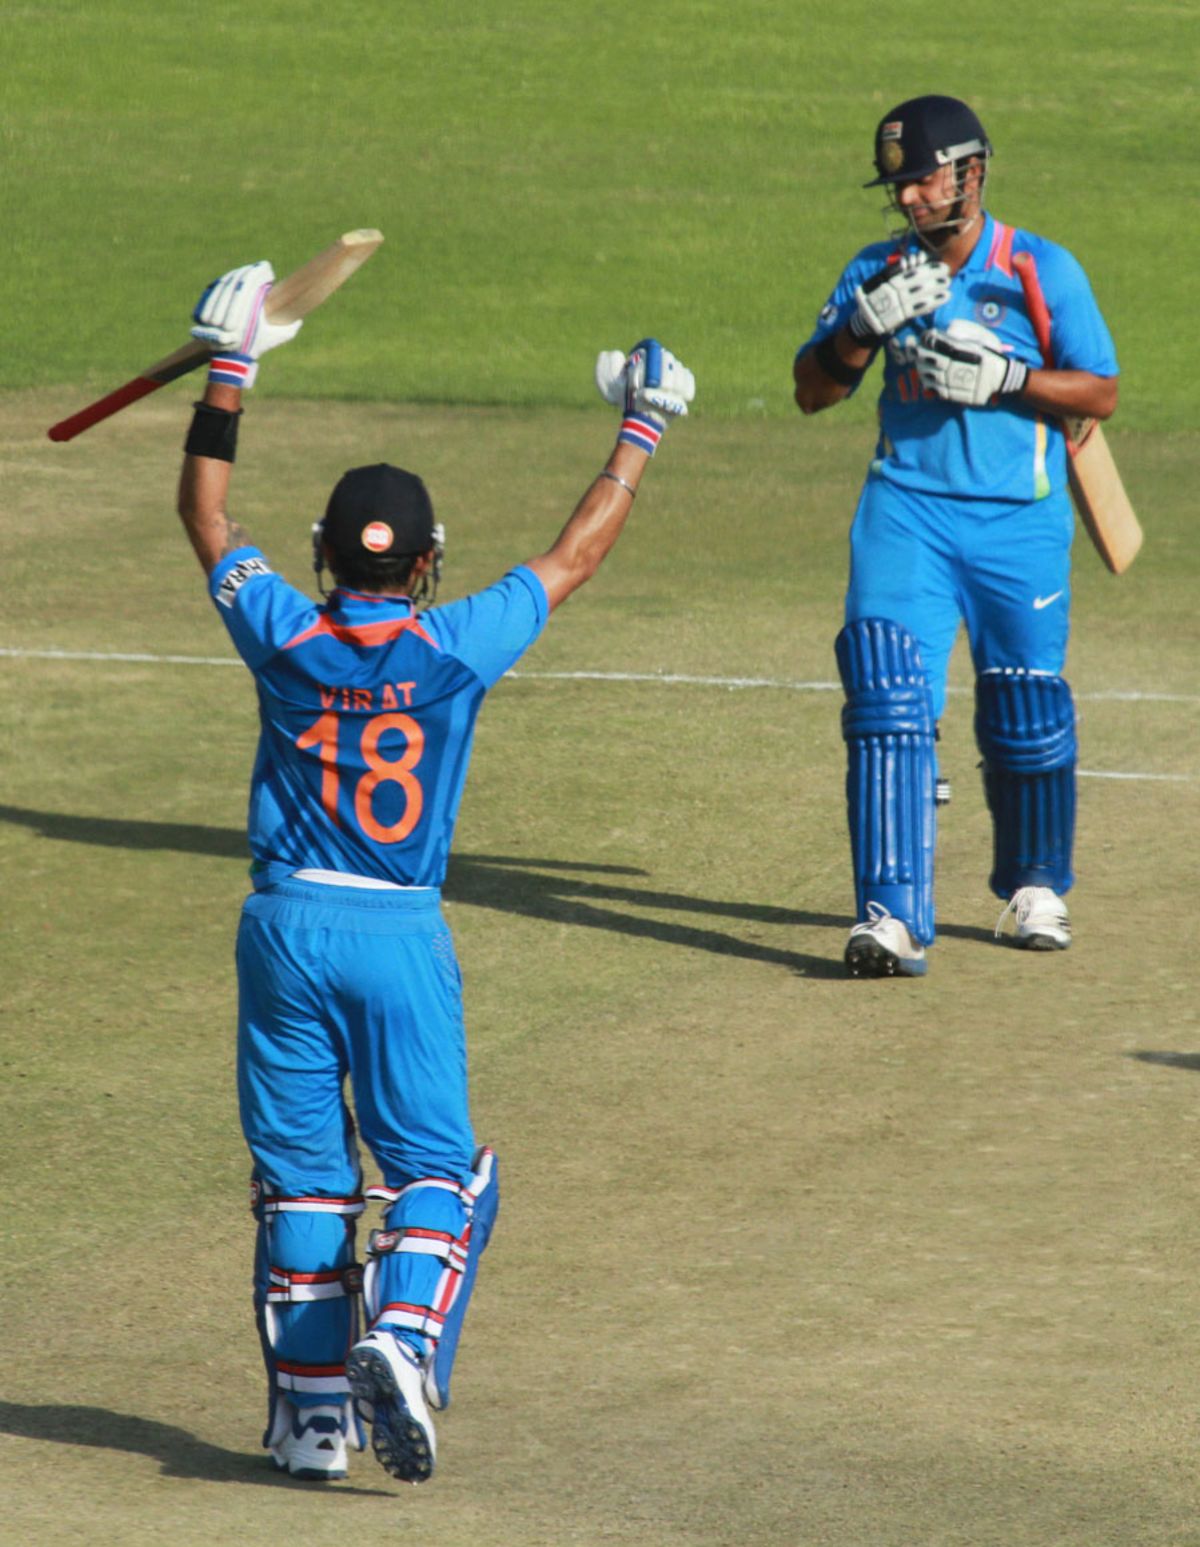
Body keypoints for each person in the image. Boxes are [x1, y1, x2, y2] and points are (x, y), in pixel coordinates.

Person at [175, 260, 694, 1482]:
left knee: (304, 1186)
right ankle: (404, 1337)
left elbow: (207, 517)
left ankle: (310, 1424)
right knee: (437, 1172)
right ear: (424, 566)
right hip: (396, 931)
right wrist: (642, 427)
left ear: (325, 559)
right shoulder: (456, 643)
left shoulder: (283, 632)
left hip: (282, 923)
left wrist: (231, 367)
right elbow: (573, 556)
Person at [792, 94, 1119, 978]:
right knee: (887, 701)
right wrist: (863, 328)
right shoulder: (877, 267)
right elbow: (812, 391)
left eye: (924, 181)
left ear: (972, 171)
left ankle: (1035, 887)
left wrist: (1009, 377)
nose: (907, 199)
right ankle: (891, 916)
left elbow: (1099, 392)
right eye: (898, 186)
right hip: (907, 512)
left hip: (1019, 520)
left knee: (1024, 709)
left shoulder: (1039, 269)